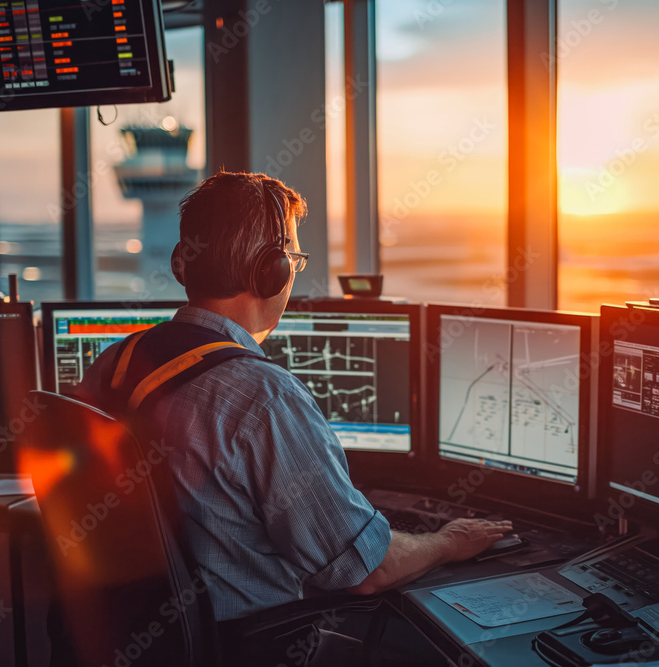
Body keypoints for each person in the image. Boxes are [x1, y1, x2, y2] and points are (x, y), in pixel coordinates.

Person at [75, 171, 511, 662]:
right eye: (294, 259)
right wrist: (447, 542)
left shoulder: (115, 362)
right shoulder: (263, 397)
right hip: (253, 645)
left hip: (133, 643)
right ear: (273, 271)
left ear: (182, 264)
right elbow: (367, 573)